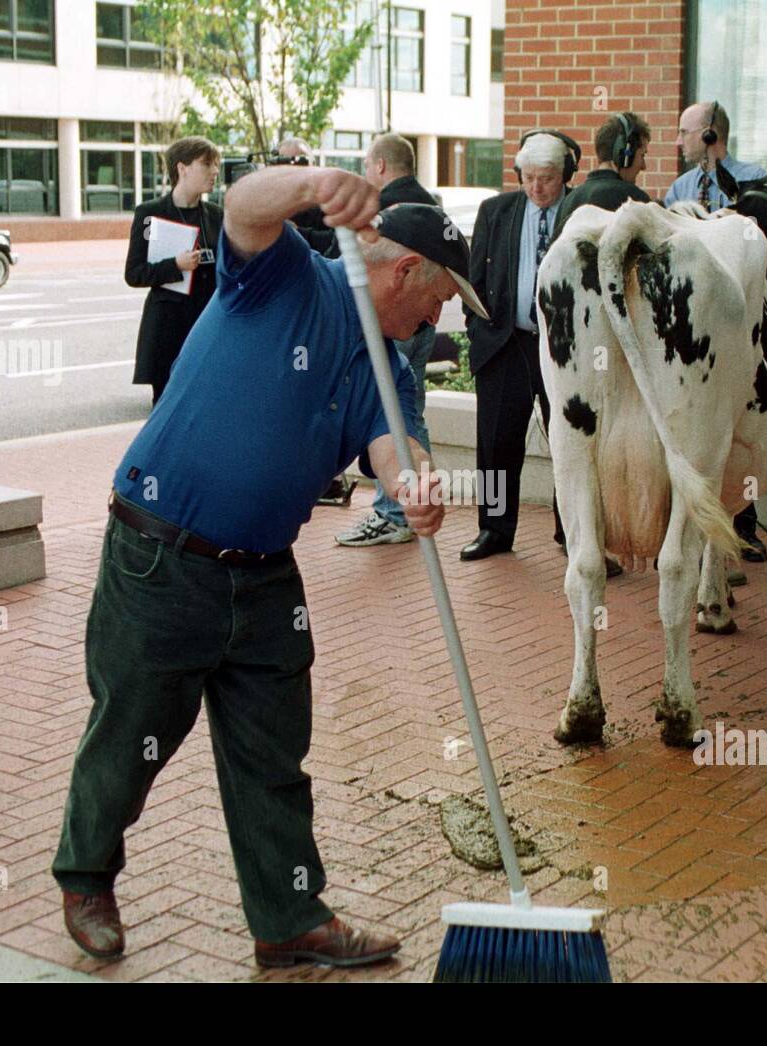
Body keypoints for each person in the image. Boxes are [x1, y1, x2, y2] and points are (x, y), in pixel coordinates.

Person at [51, 163, 490, 968]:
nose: (445, 311)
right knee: (132, 733)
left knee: (273, 756)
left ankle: (289, 918)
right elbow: (247, 209)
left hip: (264, 578)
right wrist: (318, 183)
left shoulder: (385, 368)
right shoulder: (290, 276)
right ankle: (85, 878)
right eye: (444, 294)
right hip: (162, 555)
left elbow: (393, 442)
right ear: (404, 272)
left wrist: (414, 483)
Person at [461, 131, 621, 576]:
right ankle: (494, 529)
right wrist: (480, 331)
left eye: (547, 179)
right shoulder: (496, 211)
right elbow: (474, 280)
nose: (537, 188)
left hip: (566, 351)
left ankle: (572, 535)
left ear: (565, 176)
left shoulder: (584, 214)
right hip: (506, 345)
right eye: (529, 178)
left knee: (572, 445)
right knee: (496, 442)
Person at [665, 100, 767, 566]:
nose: (679, 140)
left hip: (742, 320)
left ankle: (743, 528)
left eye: (686, 132)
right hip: (693, 330)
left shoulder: (753, 181)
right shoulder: (679, 189)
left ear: (710, 134)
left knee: (744, 419)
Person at [336, 133, 442, 547]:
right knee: (407, 409)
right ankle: (409, 498)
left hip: (394, 323)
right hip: (418, 332)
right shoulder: (430, 204)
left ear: (380, 166)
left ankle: (393, 511)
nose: (366, 174)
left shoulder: (384, 211)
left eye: (367, 165)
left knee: (393, 406)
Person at [125, 136, 223, 405]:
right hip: (166, 331)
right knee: (167, 408)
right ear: (182, 169)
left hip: (206, 328)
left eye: (216, 164)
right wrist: (175, 266)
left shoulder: (217, 216)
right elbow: (134, 273)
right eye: (207, 164)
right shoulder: (150, 213)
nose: (215, 171)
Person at [553, 112, 652, 239]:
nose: (643, 166)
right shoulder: (634, 200)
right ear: (624, 155)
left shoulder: (568, 201)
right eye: (642, 155)